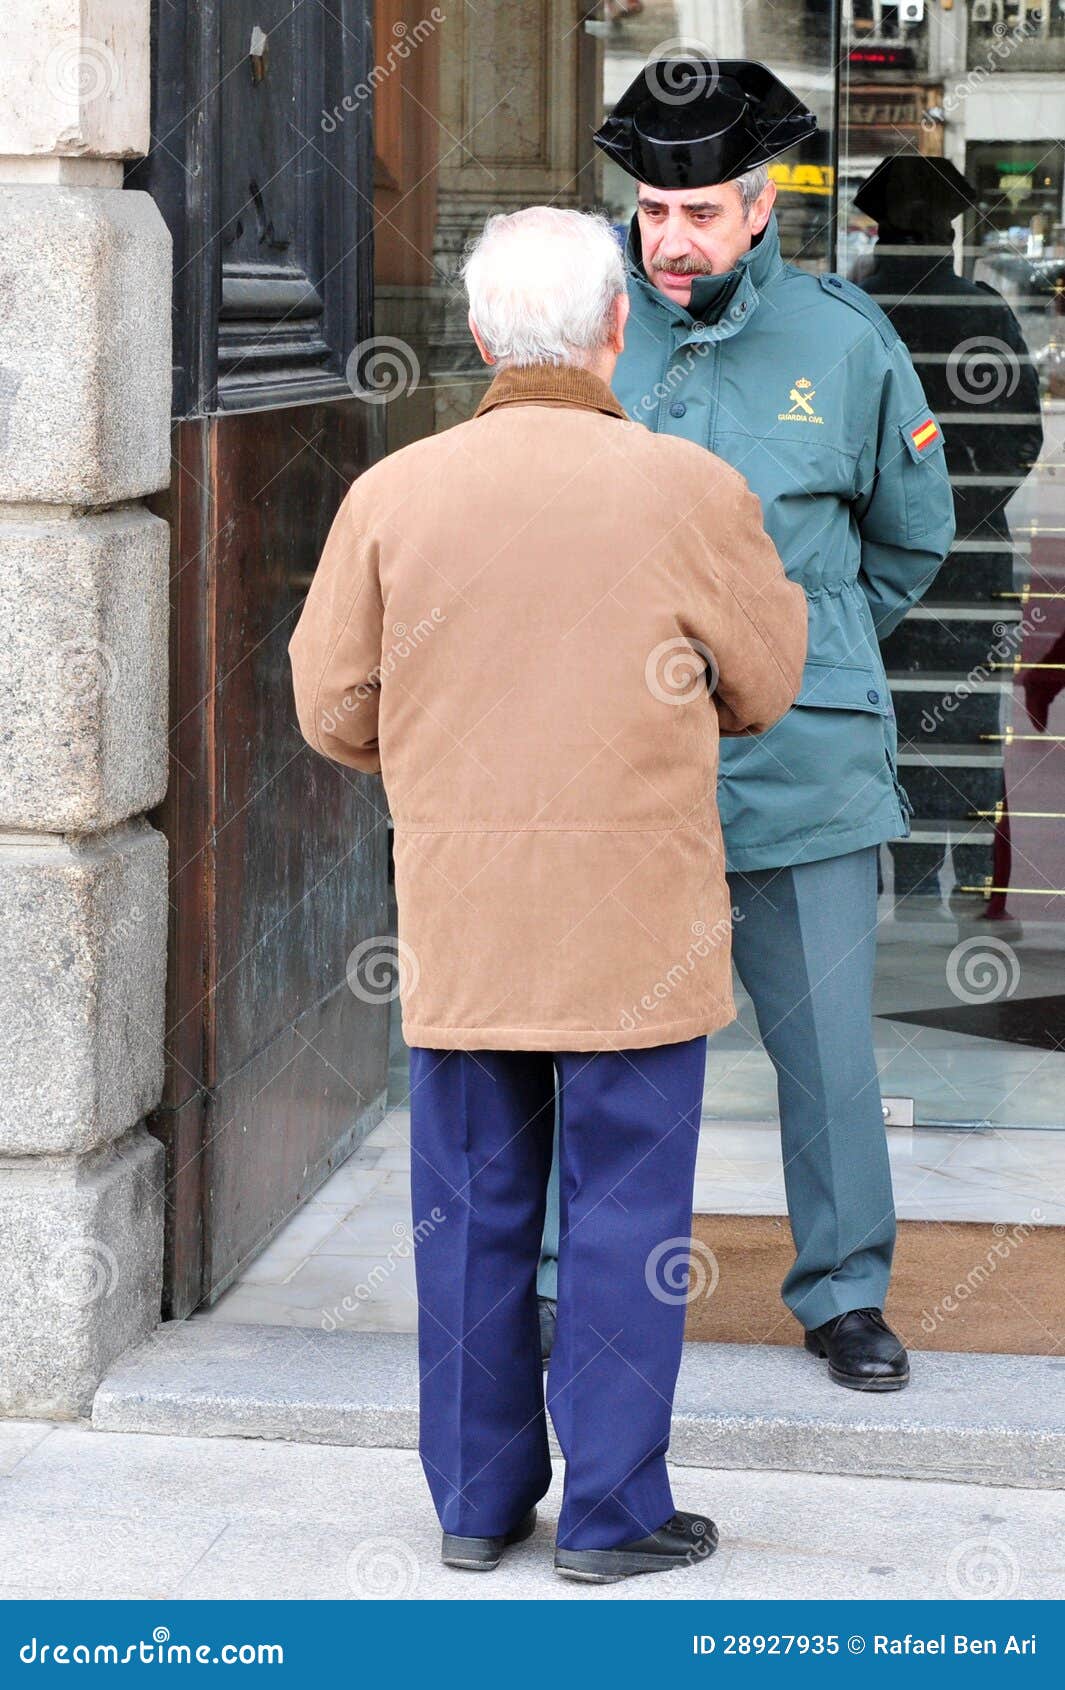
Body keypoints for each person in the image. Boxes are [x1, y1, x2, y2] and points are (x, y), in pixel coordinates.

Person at [289, 205, 806, 1582]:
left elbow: (332, 703)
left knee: (469, 1207)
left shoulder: (394, 494)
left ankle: (473, 1500)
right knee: (628, 1218)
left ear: (474, 338)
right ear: (616, 330)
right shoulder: (687, 487)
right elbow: (763, 682)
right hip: (636, 920)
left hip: (467, 917)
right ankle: (613, 1513)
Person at [538, 61, 956, 1392]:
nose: (672, 239)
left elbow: (911, 537)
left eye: (701, 212)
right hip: (615, 756)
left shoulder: (843, 341)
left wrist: (800, 654)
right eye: (654, 209)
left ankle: (843, 1293)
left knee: (827, 1049)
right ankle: (562, 1277)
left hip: (801, 758)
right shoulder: (583, 328)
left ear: (762, 206)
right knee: (585, 1032)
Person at [853, 154, 1044, 924]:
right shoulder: (983, 313)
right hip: (967, 566)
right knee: (966, 726)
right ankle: (970, 883)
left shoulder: (853, 312)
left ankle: (903, 882)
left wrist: (891, 520)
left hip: (875, 561)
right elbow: (1018, 438)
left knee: (884, 724)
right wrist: (957, 515)